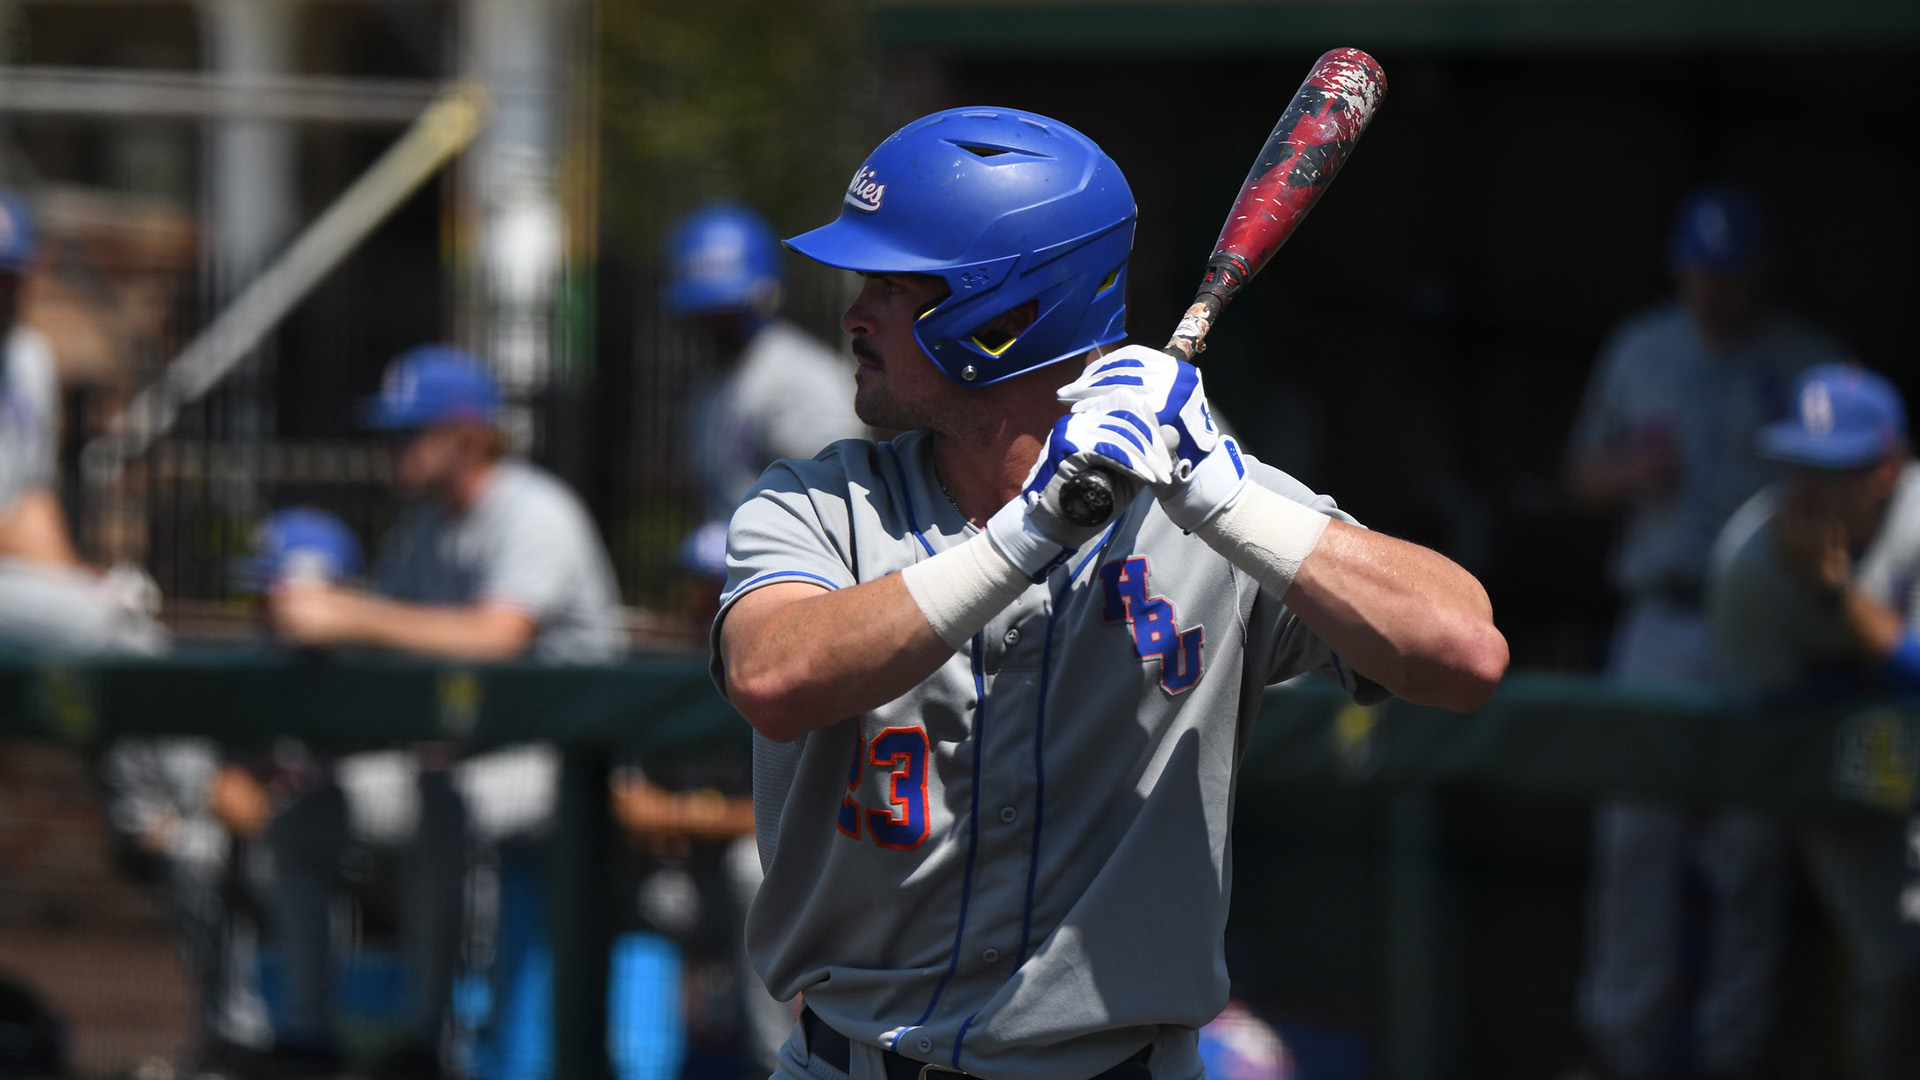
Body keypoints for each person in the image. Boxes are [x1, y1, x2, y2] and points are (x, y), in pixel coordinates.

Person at [712, 106, 1507, 1080]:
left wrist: (1231, 497)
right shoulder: (818, 504)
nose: (854, 314)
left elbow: (1465, 654)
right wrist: (1031, 531)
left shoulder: (1205, 501)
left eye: (892, 284)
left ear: (1003, 317)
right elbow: (773, 676)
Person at [269, 345, 626, 1078]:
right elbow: (384, 642)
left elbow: (498, 636)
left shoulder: (535, 510)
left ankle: (427, 1048)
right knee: (304, 821)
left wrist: (352, 615)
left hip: (572, 764)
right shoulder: (424, 526)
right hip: (465, 758)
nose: (393, 448)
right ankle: (307, 1040)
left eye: (410, 432)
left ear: (467, 436)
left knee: (443, 800)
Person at [1566, 185, 1845, 1080]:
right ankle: (1623, 1046)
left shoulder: (1809, 364)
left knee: (1752, 847)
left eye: (1728, 276)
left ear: (1755, 276)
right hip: (1660, 613)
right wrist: (1626, 472)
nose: (1712, 293)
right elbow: (1579, 473)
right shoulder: (1641, 347)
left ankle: (1734, 1051)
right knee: (1634, 840)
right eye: (1699, 274)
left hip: (1762, 631)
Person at [1708, 363, 1920, 1080]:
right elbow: (1775, 718)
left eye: (1832, 468)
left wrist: (1839, 601)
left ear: (1887, 470)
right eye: (1798, 462)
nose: (1807, 487)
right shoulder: (1748, 563)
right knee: (1898, 961)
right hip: (1840, 771)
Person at [665, 203, 865, 524]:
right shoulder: (718, 377)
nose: (712, 321)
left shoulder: (802, 379)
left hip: (793, 567)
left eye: (726, 309)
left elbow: (833, 508)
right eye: (706, 310)